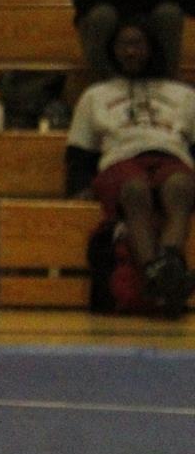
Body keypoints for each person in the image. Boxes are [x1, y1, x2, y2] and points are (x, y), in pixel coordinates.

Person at [66, 21, 195, 314]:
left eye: (138, 44)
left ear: (151, 48)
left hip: (171, 154)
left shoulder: (183, 94)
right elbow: (79, 151)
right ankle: (160, 274)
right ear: (113, 51)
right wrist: (78, 187)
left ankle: (165, 270)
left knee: (181, 186)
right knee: (134, 190)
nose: (131, 51)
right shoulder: (95, 95)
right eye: (124, 45)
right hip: (120, 160)